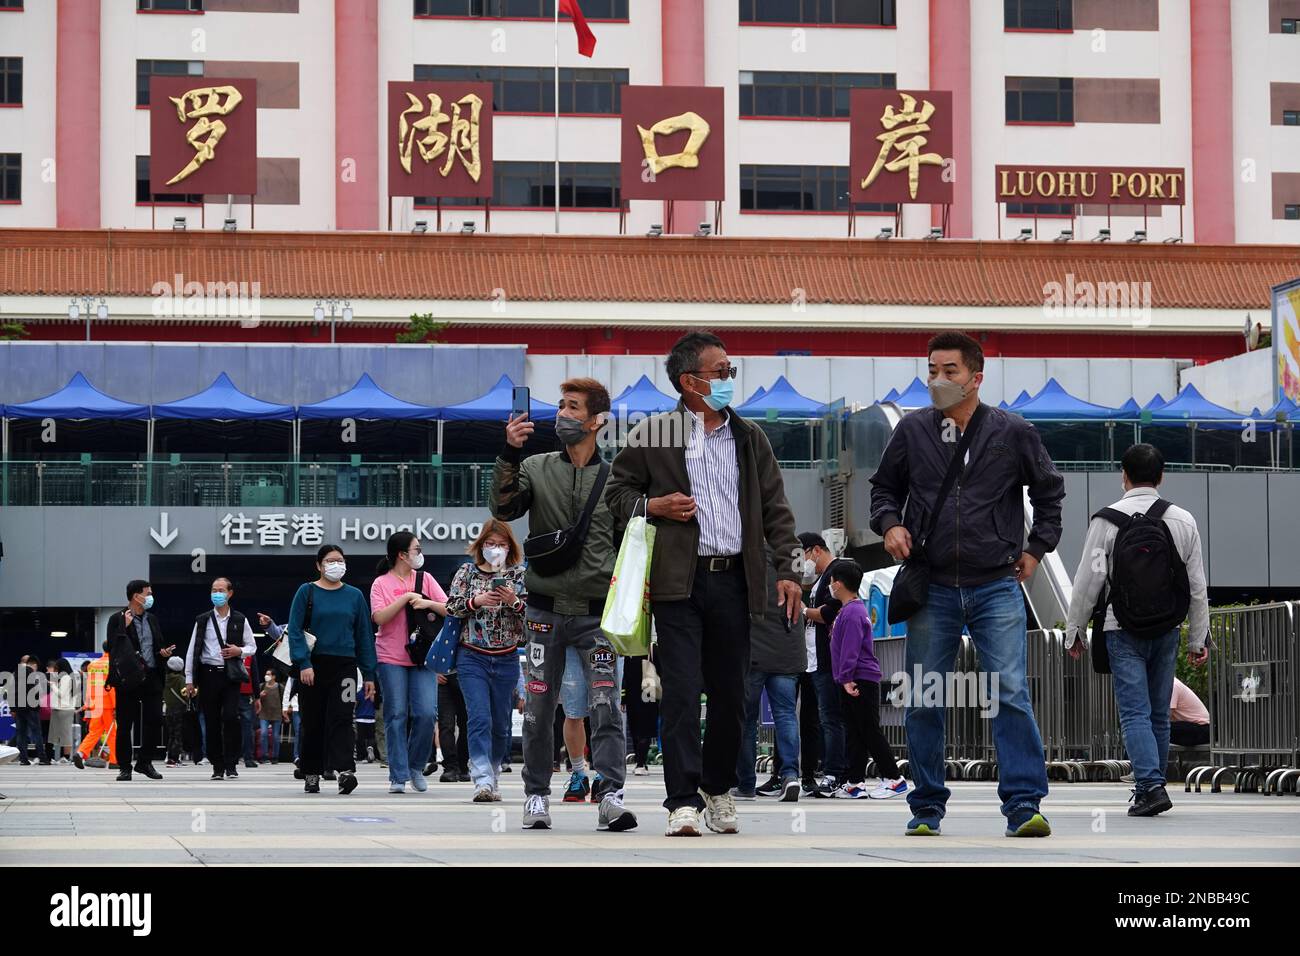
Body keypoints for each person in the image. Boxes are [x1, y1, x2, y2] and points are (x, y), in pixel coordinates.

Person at [606, 331, 802, 837]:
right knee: (681, 694)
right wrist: (653, 506)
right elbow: (616, 494)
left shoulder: (749, 437)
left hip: (736, 581)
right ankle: (682, 801)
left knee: (733, 695)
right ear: (689, 380)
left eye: (730, 371)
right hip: (678, 585)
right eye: (720, 372)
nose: (728, 380)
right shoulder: (656, 433)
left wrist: (787, 571)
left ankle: (718, 789)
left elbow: (777, 511)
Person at [870, 331, 1064, 838]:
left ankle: (1024, 806)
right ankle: (926, 807)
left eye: (949, 370)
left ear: (976, 377)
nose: (938, 379)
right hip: (931, 585)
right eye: (932, 369)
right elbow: (882, 489)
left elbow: (1050, 492)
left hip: (996, 584)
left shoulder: (1012, 431)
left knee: (1010, 694)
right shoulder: (912, 431)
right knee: (923, 698)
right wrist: (890, 522)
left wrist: (1036, 549)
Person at [492, 377, 635, 833]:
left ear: (597, 420)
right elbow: (504, 508)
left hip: (598, 615)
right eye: (560, 406)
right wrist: (509, 454)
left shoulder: (616, 477)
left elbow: (629, 543)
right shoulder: (535, 466)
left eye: (573, 407)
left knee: (607, 706)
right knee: (537, 710)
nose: (563, 415)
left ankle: (610, 794)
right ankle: (536, 797)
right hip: (543, 611)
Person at [1064, 442, 1209, 817]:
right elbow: (1196, 585)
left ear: (1123, 476)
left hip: (1120, 626)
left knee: (1134, 713)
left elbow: (1088, 579)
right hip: (1167, 628)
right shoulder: (1183, 520)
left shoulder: (1106, 520)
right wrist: (1198, 638)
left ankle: (1149, 786)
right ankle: (1153, 785)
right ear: (1161, 477)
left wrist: (1075, 629)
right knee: (1159, 712)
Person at [445, 520, 528, 805]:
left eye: (502, 545)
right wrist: (476, 601)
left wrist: (513, 600)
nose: (496, 550)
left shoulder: (519, 574)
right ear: (481, 546)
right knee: (478, 717)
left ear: (510, 548)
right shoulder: (466, 572)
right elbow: (451, 606)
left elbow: (533, 616)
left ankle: (492, 772)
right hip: (471, 655)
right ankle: (481, 777)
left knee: (501, 722)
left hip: (506, 657)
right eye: (491, 544)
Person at [286, 544, 377, 795]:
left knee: (343, 717)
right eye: (329, 561)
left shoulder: (355, 595)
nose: (336, 565)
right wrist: (304, 663)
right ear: (319, 565)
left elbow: (364, 636)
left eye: (340, 560)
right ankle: (312, 772)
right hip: (313, 667)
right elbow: (294, 630)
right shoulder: (306, 591)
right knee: (312, 720)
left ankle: (345, 771)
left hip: (345, 666)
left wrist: (369, 673)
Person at [370, 531, 448, 794]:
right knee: (396, 715)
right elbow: (379, 617)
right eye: (416, 549)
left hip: (423, 656)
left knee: (426, 714)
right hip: (390, 657)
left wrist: (425, 601)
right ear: (402, 554)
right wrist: (403, 599)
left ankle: (416, 765)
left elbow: (449, 608)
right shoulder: (381, 583)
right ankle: (398, 774)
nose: (420, 552)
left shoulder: (425, 579)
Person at [827, 560, 907, 800]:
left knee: (869, 730)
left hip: (858, 678)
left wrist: (846, 678)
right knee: (857, 731)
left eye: (831, 582)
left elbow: (850, 650)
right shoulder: (851, 610)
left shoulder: (852, 612)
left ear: (838, 584)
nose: (830, 586)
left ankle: (894, 778)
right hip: (853, 678)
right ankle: (855, 782)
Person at [735, 556, 806, 802]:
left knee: (747, 719)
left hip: (754, 652)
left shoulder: (748, 559)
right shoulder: (792, 566)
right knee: (786, 714)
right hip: (787, 653)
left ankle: (746, 783)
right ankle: (789, 775)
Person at [184, 577, 257, 781]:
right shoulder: (202, 620)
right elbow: (192, 650)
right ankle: (217, 765)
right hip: (208, 675)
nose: (217, 593)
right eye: (214, 589)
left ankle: (231, 763)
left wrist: (239, 651)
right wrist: (189, 679)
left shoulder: (240, 619)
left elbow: (252, 646)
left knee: (231, 718)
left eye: (221, 590)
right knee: (212, 720)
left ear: (230, 593)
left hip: (230, 675)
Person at [107, 579, 174, 781]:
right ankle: (125, 767)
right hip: (128, 678)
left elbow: (156, 644)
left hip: (152, 675)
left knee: (155, 720)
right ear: (137, 596)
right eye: (148, 593)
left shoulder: (151, 619)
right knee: (126, 723)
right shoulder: (117, 619)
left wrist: (163, 653)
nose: (151, 597)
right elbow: (113, 648)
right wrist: (124, 628)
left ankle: (144, 762)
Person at [797, 532, 848, 796]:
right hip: (813, 660)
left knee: (830, 717)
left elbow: (830, 612)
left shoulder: (836, 572)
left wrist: (805, 611)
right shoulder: (819, 579)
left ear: (816, 550)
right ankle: (811, 772)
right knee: (812, 718)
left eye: (803, 555)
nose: (802, 561)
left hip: (827, 659)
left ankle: (834, 772)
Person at [74, 644, 117, 769]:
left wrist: (87, 704)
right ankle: (114, 761)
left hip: (95, 703)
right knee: (112, 733)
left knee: (94, 732)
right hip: (108, 704)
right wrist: (115, 706)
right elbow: (111, 687)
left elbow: (89, 686)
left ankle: (80, 753)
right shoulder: (112, 664)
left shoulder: (92, 665)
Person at [622, 655, 658, 775]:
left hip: (644, 694)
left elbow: (624, 677)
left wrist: (623, 698)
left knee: (640, 728)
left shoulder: (631, 653)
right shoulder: (651, 651)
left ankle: (640, 762)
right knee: (640, 729)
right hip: (648, 693)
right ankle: (640, 762)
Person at [433, 668, 470, 782]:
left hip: (467, 678)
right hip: (445, 679)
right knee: (446, 725)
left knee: (466, 725)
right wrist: (433, 671)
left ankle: (462, 765)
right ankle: (450, 767)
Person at [45, 659, 77, 764]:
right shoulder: (68, 677)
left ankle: (66, 757)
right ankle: (63, 757)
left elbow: (61, 694)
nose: (56, 670)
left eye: (57, 668)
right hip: (61, 708)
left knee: (64, 734)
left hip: (64, 709)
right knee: (58, 734)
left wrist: (52, 685)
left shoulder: (66, 678)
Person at [163, 656, 189, 767]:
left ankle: (170, 757)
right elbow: (185, 694)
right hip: (179, 709)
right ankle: (175, 758)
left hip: (168, 709)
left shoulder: (164, 678)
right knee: (178, 734)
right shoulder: (180, 679)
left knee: (171, 734)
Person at [1169, 678, 1210, 747]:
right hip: (1196, 727)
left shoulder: (1173, 685)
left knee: (1157, 728)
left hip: (1201, 729)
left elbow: (1166, 716)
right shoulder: (1170, 683)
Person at [258, 668, 283, 764]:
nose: (266, 676)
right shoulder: (262, 686)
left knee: (275, 736)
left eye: (268, 674)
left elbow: (285, 698)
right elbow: (255, 698)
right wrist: (260, 696)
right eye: (266, 674)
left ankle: (275, 756)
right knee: (263, 734)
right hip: (264, 714)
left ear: (274, 676)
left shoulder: (279, 687)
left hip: (277, 714)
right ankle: (264, 756)